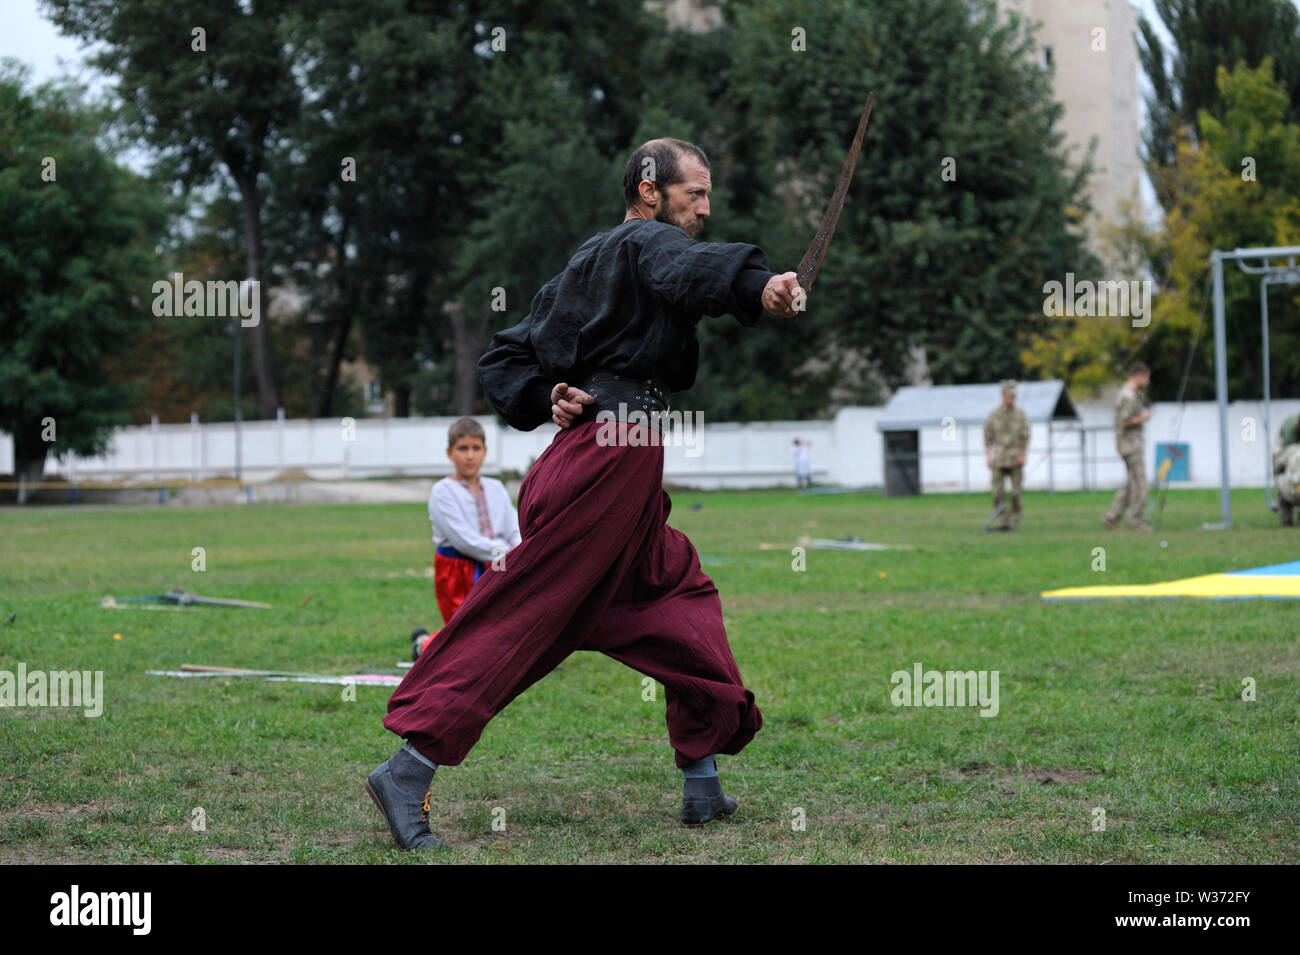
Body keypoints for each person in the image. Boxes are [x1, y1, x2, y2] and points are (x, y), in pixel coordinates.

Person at [365, 137, 804, 849]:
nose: (706, 207)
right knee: (530, 613)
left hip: (601, 458)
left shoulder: (588, 264)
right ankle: (408, 769)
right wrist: (759, 285)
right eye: (695, 193)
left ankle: (702, 782)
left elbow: (509, 354)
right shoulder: (646, 246)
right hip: (607, 464)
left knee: (675, 597)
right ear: (649, 190)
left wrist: (547, 392)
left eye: (709, 195)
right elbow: (691, 268)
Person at [409, 418, 521, 659]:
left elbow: (513, 526)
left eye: (476, 448)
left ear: (485, 451)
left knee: (509, 623)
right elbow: (464, 540)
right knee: (468, 642)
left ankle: (528, 655)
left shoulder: (496, 488)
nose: (470, 456)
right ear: (450, 453)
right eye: (462, 449)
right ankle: (424, 645)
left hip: (498, 564)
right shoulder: (443, 491)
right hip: (458, 571)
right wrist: (506, 552)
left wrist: (520, 551)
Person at [1102, 362, 1152, 531]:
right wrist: (1143, 417)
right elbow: (1125, 421)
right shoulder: (1128, 396)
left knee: (1131, 483)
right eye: (1147, 377)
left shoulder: (1131, 394)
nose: (1148, 381)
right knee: (1141, 483)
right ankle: (1135, 521)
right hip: (1130, 445)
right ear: (1139, 376)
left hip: (1128, 445)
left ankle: (1112, 517)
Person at [983, 380, 1030, 531]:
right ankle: (1002, 521)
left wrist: (1023, 455)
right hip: (999, 459)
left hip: (1016, 459)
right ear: (1004, 395)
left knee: (1016, 493)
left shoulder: (1020, 415)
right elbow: (987, 438)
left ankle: (1014, 521)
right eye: (1011, 396)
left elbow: (1025, 437)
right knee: (997, 493)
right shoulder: (993, 415)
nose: (1013, 399)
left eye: (1015, 396)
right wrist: (988, 457)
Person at [1272, 414, 1300, 527]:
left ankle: (1286, 522)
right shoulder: (1290, 431)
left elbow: (1279, 464)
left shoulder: (1290, 450)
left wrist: (1277, 474)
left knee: (1280, 482)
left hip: (1296, 489)